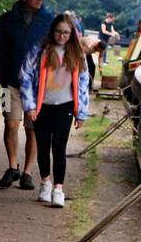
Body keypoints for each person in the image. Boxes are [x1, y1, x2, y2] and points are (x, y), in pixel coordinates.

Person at [20, 14, 89, 209]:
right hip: (43, 106)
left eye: (66, 33)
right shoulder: (39, 51)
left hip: (65, 106)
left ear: (72, 34)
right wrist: (30, 106)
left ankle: (58, 189)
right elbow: (25, 77)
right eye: (58, 32)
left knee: (59, 148)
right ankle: (45, 182)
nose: (62, 36)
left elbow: (83, 84)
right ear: (52, 31)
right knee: (43, 146)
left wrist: (81, 112)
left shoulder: (77, 54)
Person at [0, 0, 53, 191]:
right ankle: (13, 167)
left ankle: (28, 172)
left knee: (33, 130)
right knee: (10, 124)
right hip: (8, 83)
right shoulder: (6, 21)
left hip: (37, 87)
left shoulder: (49, 21)